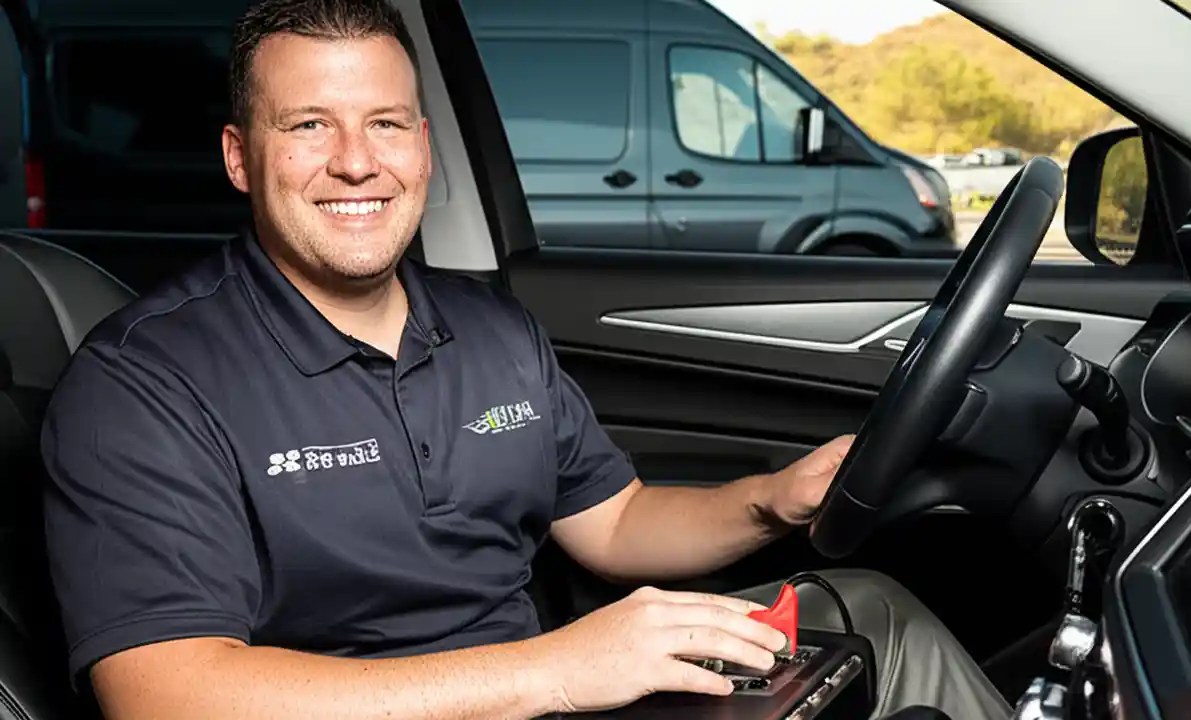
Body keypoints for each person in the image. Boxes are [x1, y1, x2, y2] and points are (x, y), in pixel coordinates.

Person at [37, 0, 1011, 718]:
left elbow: (614, 523)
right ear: (239, 156)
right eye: (307, 126)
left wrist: (768, 500)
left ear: (422, 148)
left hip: (548, 696)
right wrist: (555, 669)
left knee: (874, 611)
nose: (355, 161)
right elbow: (165, 693)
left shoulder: (491, 328)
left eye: (385, 124)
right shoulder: (143, 383)